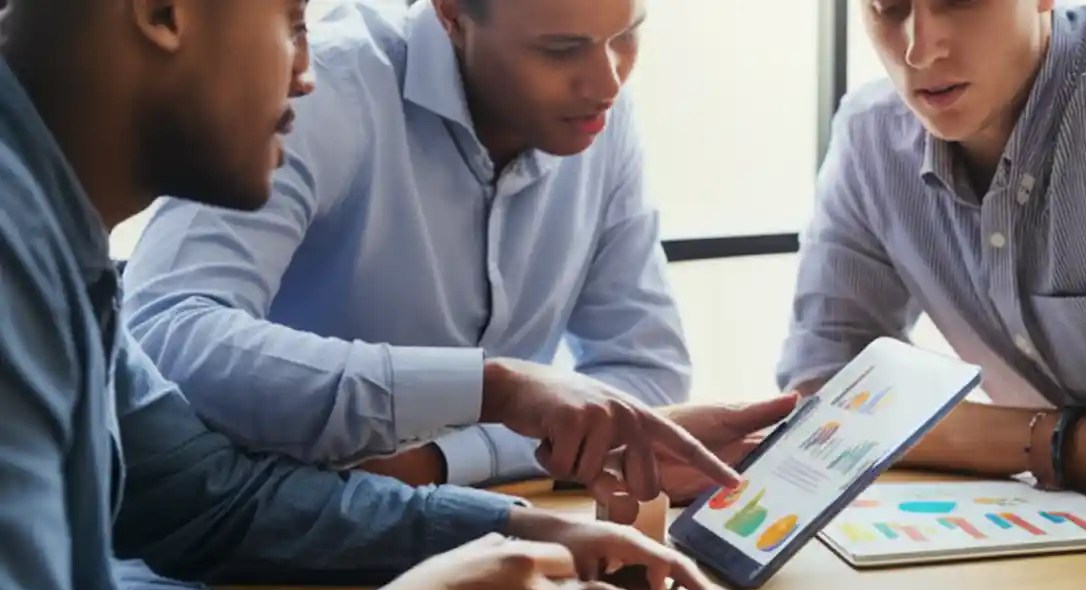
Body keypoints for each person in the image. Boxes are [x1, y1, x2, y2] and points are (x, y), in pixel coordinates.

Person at [0, 0, 756, 590]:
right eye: (291, 23)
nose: (305, 70)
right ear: (165, 12)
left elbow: (210, 499)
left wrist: (512, 529)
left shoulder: (49, 240)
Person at [120, 0, 747, 503]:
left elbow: (645, 378)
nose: (607, 80)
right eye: (560, 49)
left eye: (626, 35)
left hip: (483, 545)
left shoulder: (598, 115)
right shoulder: (317, 89)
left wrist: (440, 459)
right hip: (236, 579)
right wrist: (491, 391)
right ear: (450, 14)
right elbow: (167, 335)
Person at [779, 0, 1086, 509]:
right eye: (888, 8)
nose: (919, 48)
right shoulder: (873, 136)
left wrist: (970, 435)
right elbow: (820, 392)